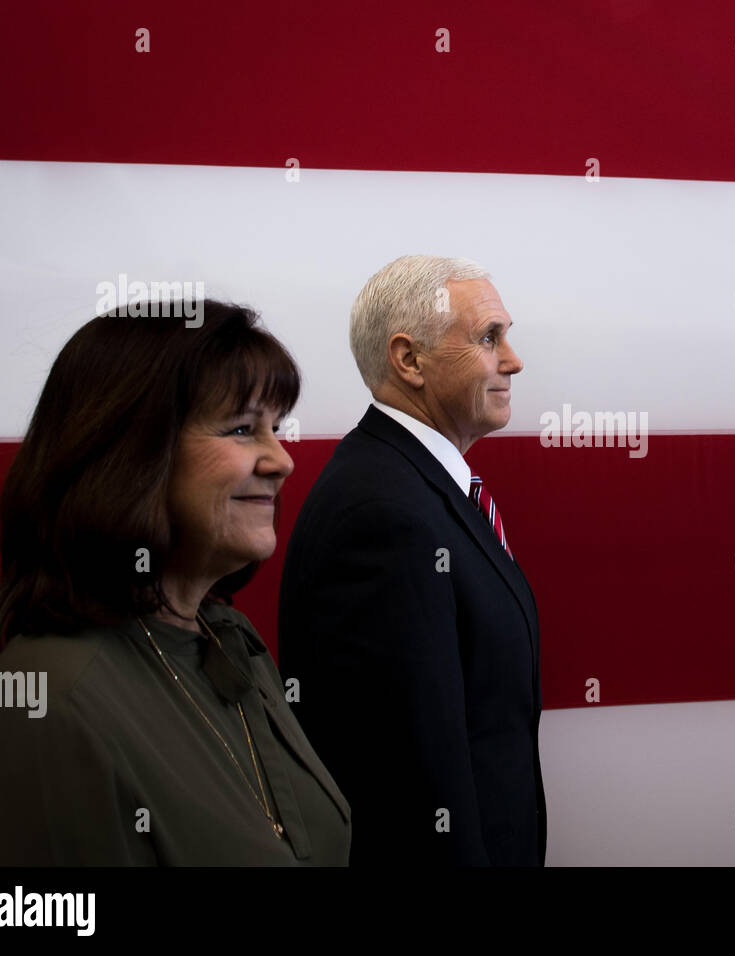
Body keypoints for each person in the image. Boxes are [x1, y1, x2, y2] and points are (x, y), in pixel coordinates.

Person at [0, 300, 350, 865]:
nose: (281, 459)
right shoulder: (47, 707)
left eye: (275, 428)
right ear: (129, 453)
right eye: (241, 429)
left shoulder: (229, 641)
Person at [279, 255, 545, 866]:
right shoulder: (383, 514)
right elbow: (413, 792)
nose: (514, 360)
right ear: (409, 360)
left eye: (507, 335)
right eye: (488, 338)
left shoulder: (413, 483)